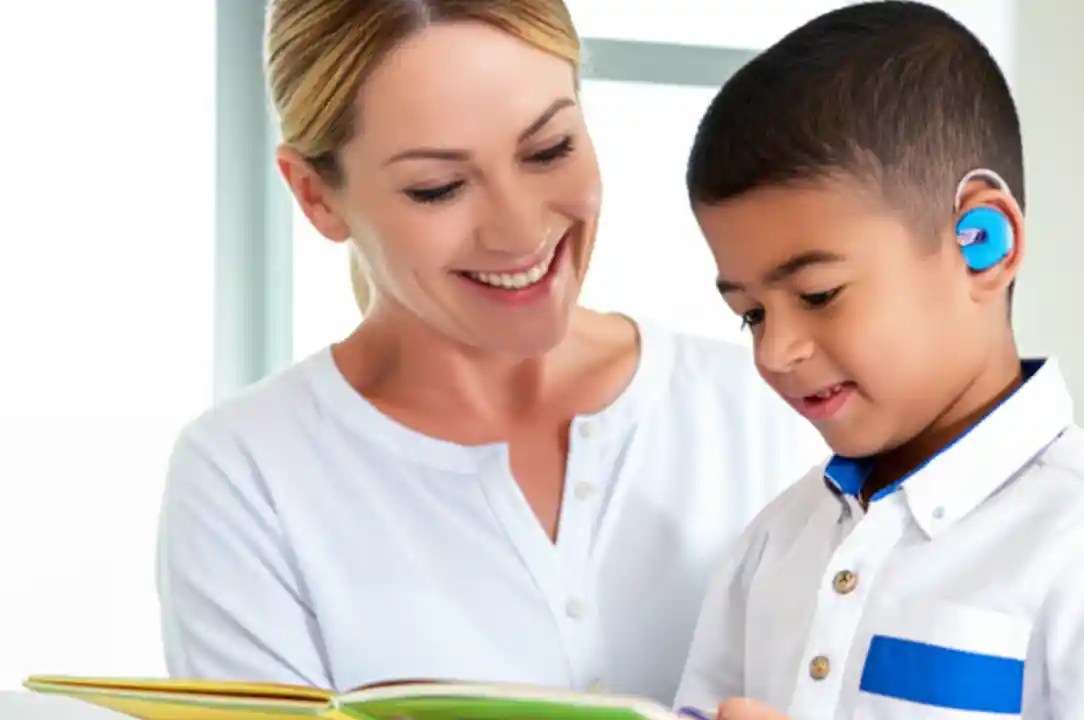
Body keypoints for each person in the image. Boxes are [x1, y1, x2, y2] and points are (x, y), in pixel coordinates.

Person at [155, 0, 824, 702]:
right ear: (316, 195)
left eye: (550, 149)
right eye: (437, 188)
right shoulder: (246, 477)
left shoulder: (769, 403)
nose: (518, 232)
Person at [671, 3, 1084, 719]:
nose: (776, 351)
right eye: (750, 313)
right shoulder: (773, 546)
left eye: (818, 293)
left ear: (981, 241)